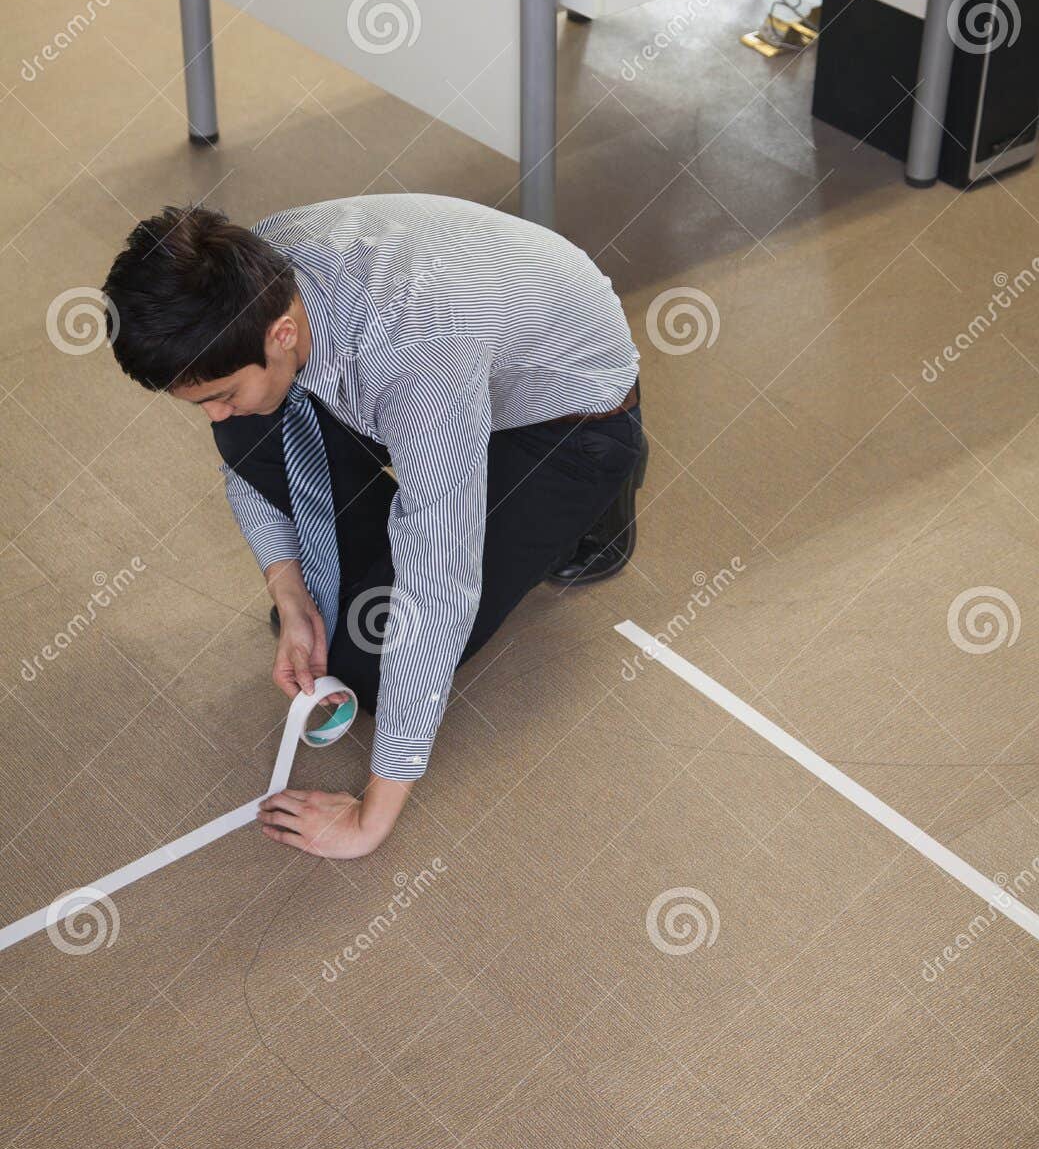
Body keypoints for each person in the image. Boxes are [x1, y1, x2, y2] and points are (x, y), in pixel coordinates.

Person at [102, 196, 647, 860]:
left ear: (280, 333)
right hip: (442, 372)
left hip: (564, 424)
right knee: (255, 435)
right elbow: (248, 450)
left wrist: (370, 818)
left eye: (217, 392)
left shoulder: (419, 363)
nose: (211, 416)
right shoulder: (254, 271)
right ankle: (384, 534)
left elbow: (439, 579)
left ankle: (597, 506)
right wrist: (291, 593)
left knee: (369, 662)